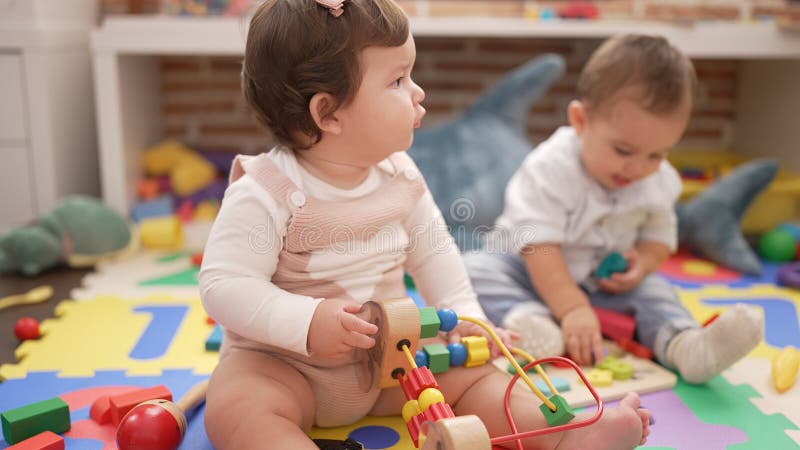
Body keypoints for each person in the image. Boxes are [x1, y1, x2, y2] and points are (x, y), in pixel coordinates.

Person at [199, 2, 651, 449]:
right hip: (286, 367)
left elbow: (435, 252)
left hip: (390, 364)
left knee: (474, 377)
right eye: (397, 80)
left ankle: (565, 435)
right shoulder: (266, 189)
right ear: (329, 114)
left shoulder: (401, 175)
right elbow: (224, 284)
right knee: (237, 405)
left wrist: (467, 318)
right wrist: (307, 321)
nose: (418, 93)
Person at [465, 34, 763, 383]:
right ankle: (532, 324)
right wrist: (572, 308)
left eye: (657, 154)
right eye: (623, 151)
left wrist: (645, 263)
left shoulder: (658, 179)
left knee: (657, 290)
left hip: (605, 286)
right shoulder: (550, 167)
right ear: (580, 121)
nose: (638, 168)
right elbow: (538, 246)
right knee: (473, 269)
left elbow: (659, 235)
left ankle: (686, 345)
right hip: (530, 271)